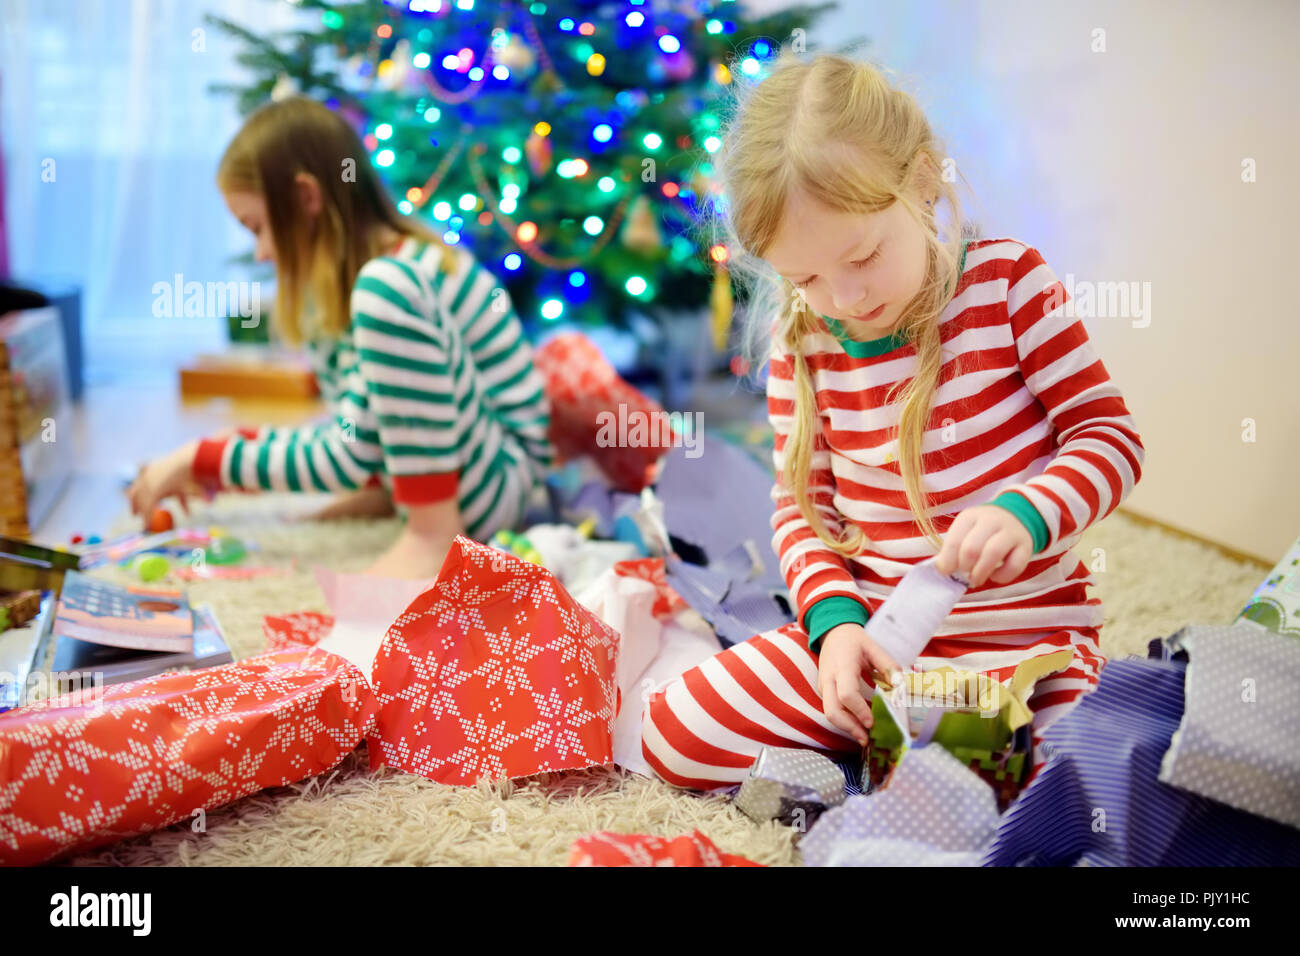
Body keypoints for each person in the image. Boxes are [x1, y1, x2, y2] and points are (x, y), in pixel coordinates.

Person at [641, 53, 1145, 790]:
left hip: (1024, 653)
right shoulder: (803, 339)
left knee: (1084, 784)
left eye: (863, 255)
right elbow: (801, 511)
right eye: (806, 277)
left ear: (920, 180)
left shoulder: (1011, 287)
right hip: (883, 651)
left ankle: (921, 773)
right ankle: (898, 768)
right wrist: (837, 628)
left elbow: (1110, 439)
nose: (842, 298)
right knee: (676, 732)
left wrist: (1029, 512)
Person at [127, 96, 555, 578]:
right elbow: (358, 436)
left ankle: (432, 534)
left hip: (501, 485)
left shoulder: (399, 282)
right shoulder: (337, 294)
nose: (263, 252)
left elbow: (347, 456)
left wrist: (203, 459)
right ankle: (408, 505)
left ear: (307, 198)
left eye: (259, 227)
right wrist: (229, 450)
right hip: (460, 462)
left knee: (383, 292)